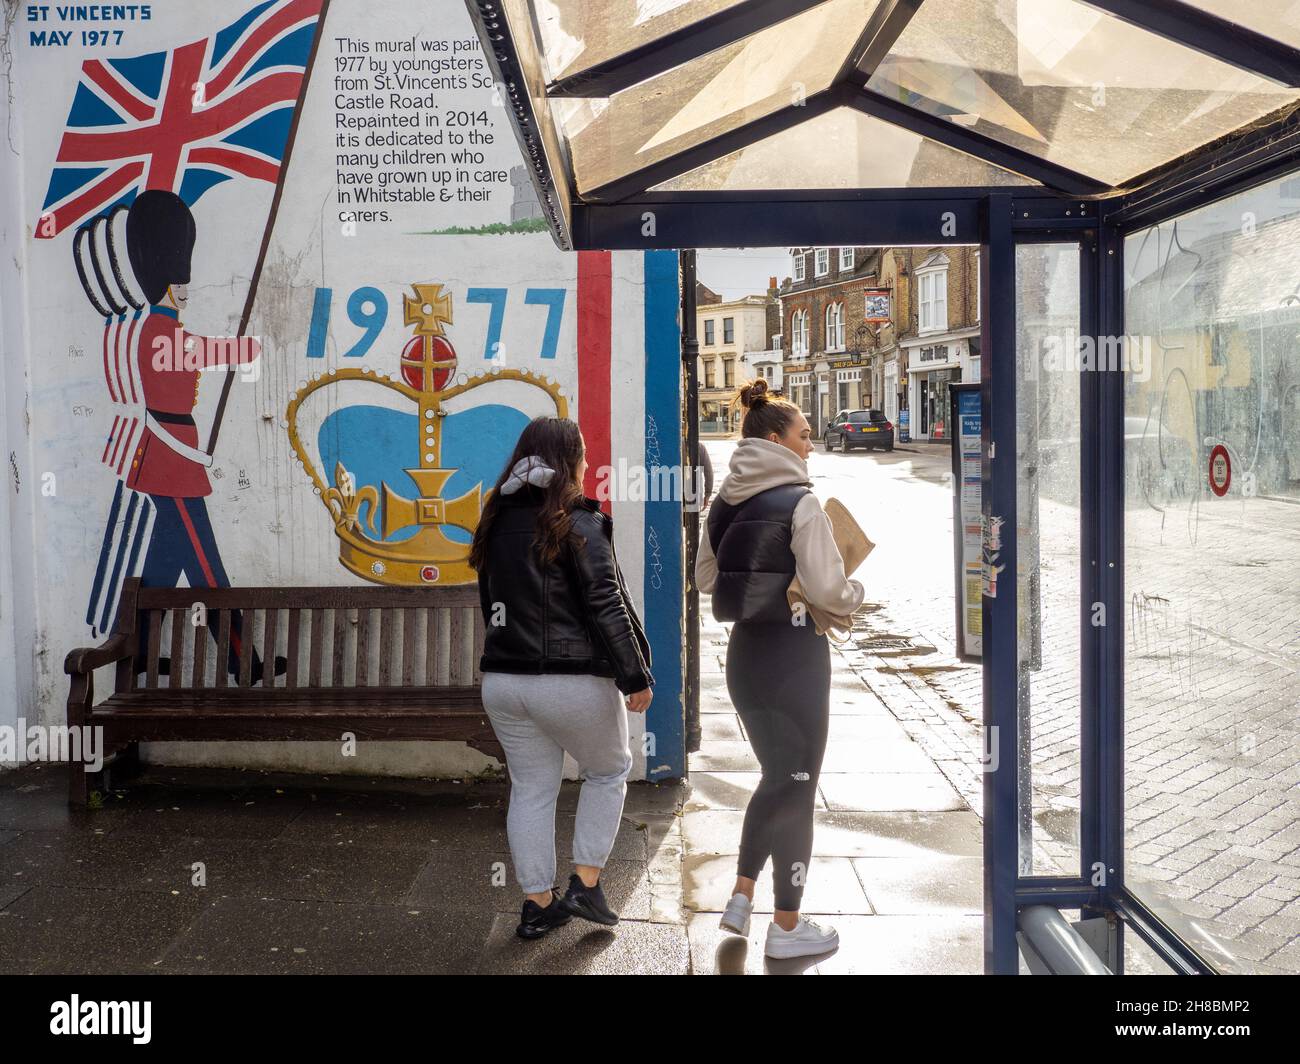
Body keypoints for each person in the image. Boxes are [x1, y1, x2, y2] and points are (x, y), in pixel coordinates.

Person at [695, 378, 865, 960]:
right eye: (804, 435)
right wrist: (855, 589)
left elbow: (708, 583)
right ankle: (787, 927)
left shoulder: (722, 505)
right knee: (797, 785)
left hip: (745, 659)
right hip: (795, 659)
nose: (811, 446)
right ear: (776, 440)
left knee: (777, 777)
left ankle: (743, 895)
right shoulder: (801, 502)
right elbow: (831, 592)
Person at [470, 416, 654, 939]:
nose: (589, 461)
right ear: (567, 461)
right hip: (570, 679)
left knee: (530, 787)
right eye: (583, 453)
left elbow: (491, 606)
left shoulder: (494, 519)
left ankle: (537, 904)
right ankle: (586, 884)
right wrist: (633, 676)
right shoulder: (579, 522)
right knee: (608, 770)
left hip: (503, 681)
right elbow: (606, 604)